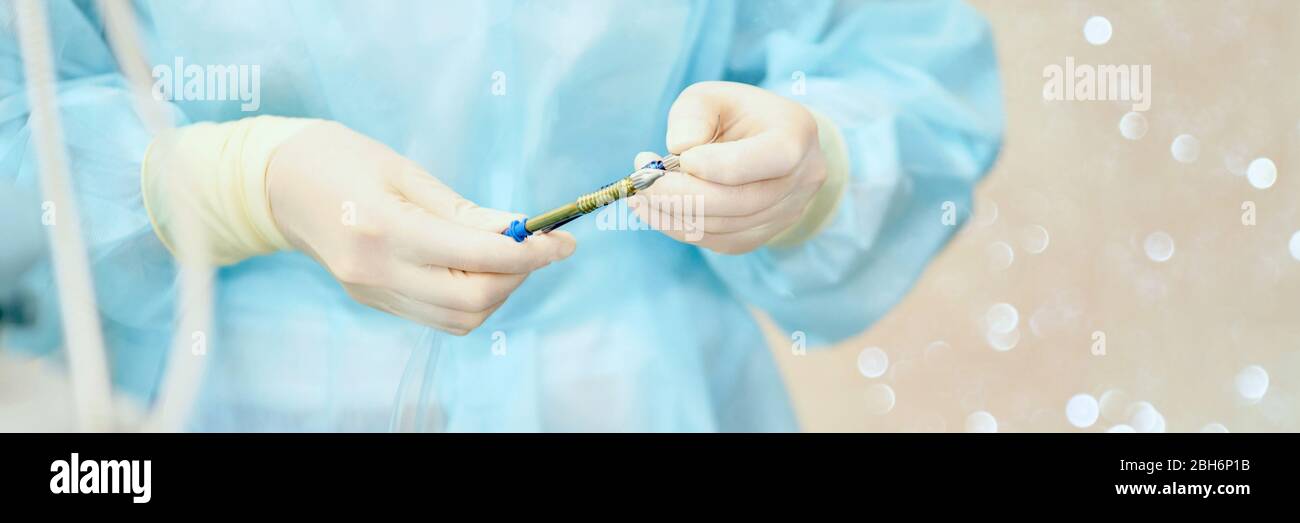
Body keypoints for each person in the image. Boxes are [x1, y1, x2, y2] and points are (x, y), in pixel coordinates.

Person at [0, 0, 1003, 431]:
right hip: (222, 396)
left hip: (645, 396)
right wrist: (226, 181)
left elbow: (902, 61)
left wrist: (816, 160)